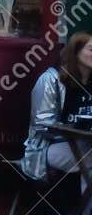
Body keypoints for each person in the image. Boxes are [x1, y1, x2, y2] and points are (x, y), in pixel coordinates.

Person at [24, 31, 92, 192]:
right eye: (91, 49)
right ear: (75, 52)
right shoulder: (51, 80)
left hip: (86, 144)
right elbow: (42, 124)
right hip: (50, 146)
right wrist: (74, 127)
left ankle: (86, 213)